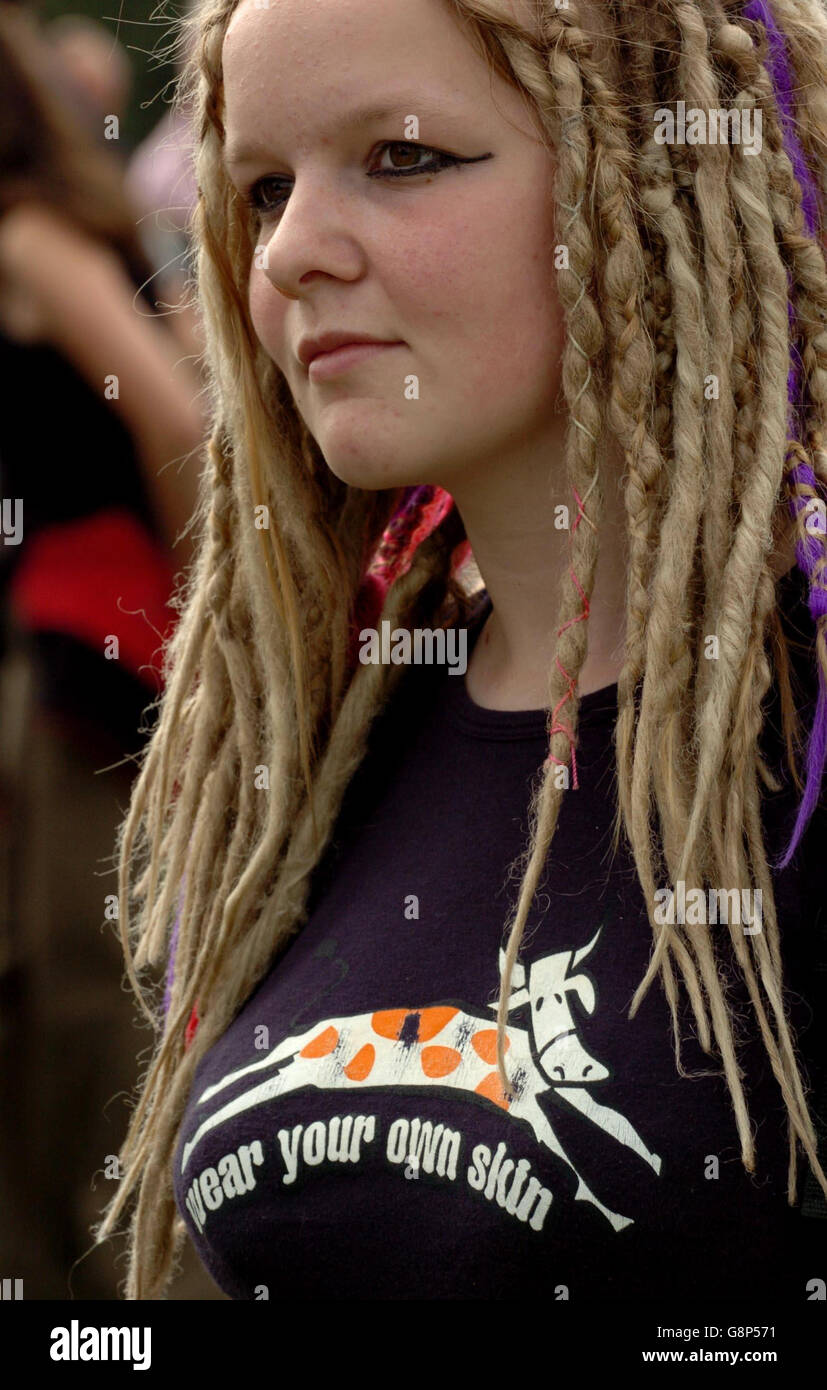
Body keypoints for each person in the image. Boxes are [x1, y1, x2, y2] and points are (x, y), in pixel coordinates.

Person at [94, 0, 827, 1302]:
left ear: (661, 164)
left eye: (402, 157)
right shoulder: (320, 755)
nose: (289, 256)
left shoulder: (800, 739)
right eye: (264, 187)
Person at [0, 0, 213, 1298]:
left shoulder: (24, 238)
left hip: (100, 662)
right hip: (69, 651)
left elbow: (175, 412)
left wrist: (205, 638)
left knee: (90, 996)